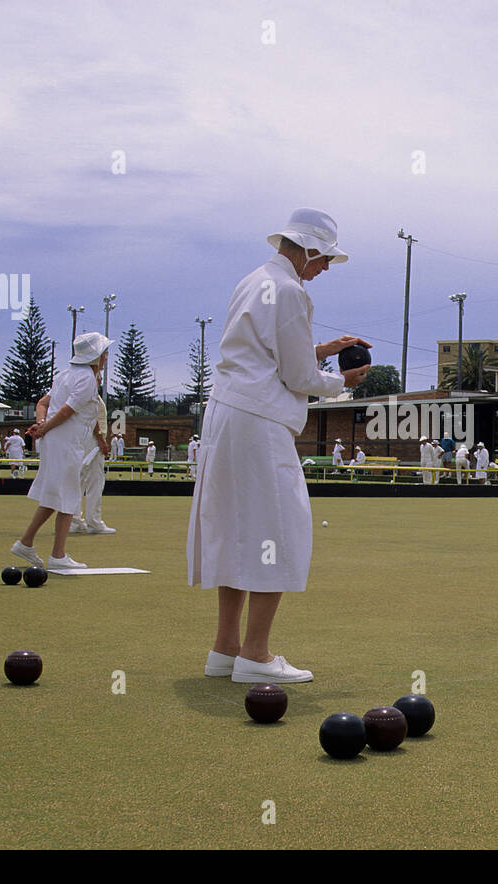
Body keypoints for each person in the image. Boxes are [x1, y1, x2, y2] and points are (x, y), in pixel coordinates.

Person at [187, 207, 370, 684]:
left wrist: (320, 350)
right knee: (277, 530)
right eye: (325, 258)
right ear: (307, 249)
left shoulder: (253, 281)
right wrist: (341, 380)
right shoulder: (291, 291)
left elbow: (258, 352)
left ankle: (225, 649)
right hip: (260, 423)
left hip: (226, 415)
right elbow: (296, 377)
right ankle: (256, 655)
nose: (326, 267)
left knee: (234, 526)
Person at [11, 332, 111, 570]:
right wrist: (44, 427)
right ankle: (57, 555)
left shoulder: (65, 375)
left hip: (58, 441)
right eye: (104, 352)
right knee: (68, 497)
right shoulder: (87, 378)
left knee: (56, 495)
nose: (107, 357)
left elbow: (43, 404)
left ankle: (26, 542)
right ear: (96, 355)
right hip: (65, 442)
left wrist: (42, 423)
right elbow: (67, 411)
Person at [73, 392, 115, 534]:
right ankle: (94, 522)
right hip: (92, 441)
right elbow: (92, 416)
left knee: (79, 482)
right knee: (95, 482)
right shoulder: (88, 388)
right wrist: (101, 439)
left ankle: (75, 521)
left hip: (83, 438)